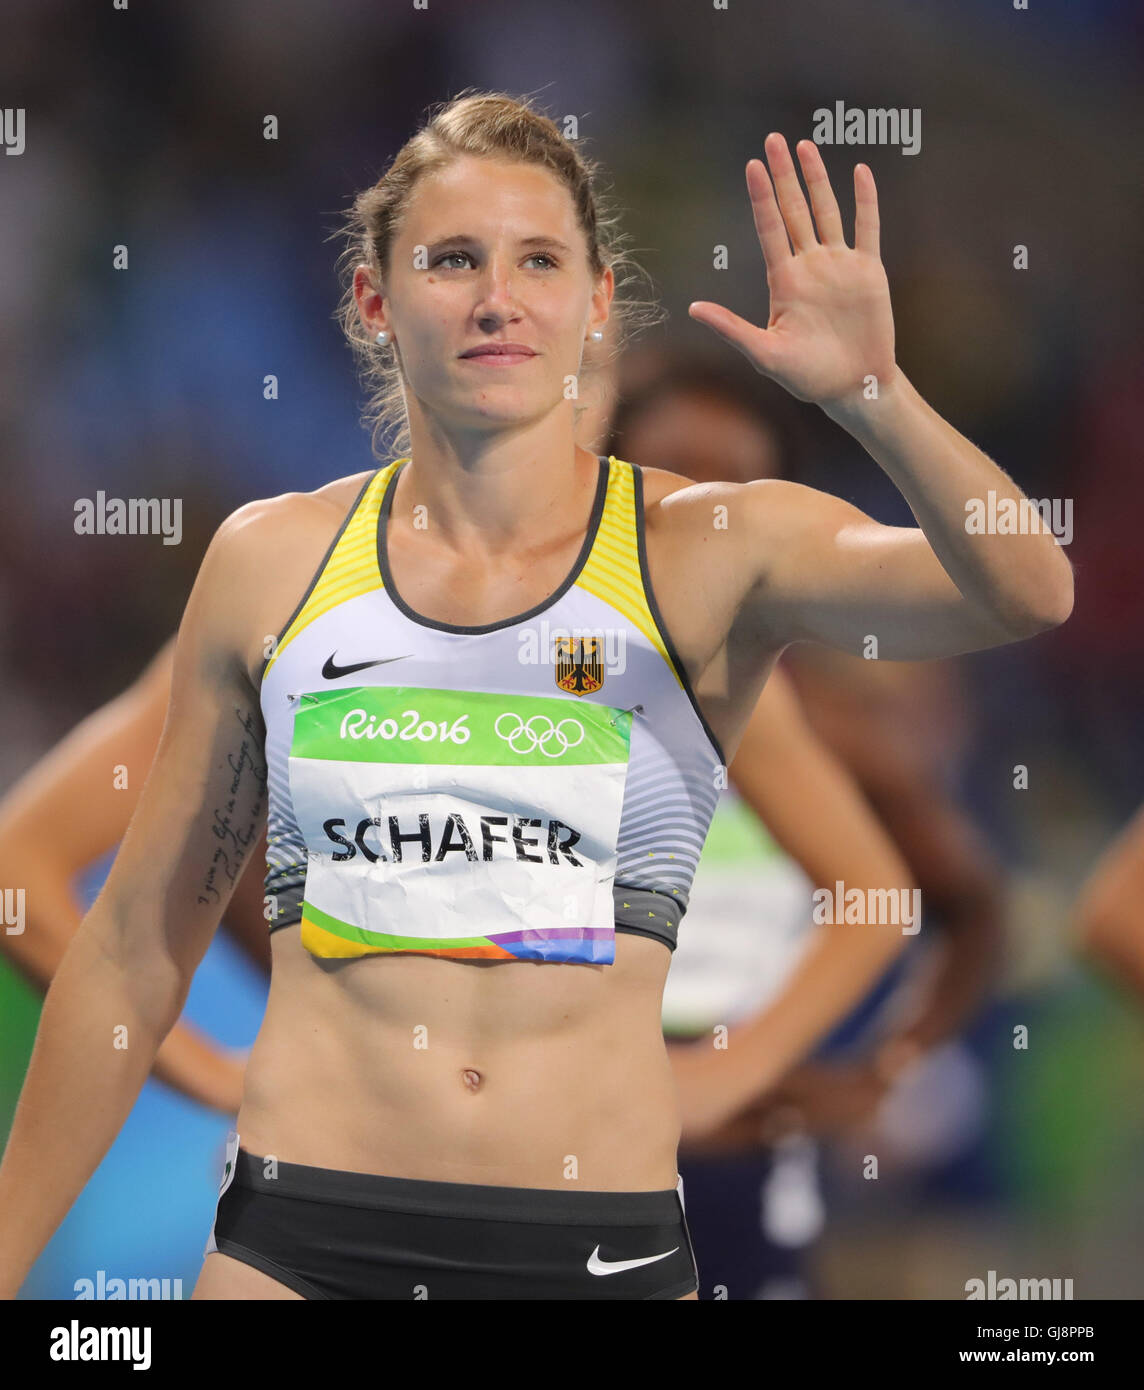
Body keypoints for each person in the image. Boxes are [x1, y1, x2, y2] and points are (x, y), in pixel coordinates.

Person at [0, 90, 1072, 1302]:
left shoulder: (703, 549)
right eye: (451, 259)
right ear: (373, 301)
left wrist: (874, 395)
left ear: (597, 303)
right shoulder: (268, 561)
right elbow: (136, 951)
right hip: (297, 1245)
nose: (496, 298)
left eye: (539, 260)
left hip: (595, 1251)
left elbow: (1024, 590)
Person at [600, 350, 1005, 1298]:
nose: (700, 518)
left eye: (732, 493)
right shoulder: (533, 693)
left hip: (737, 1155)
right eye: (667, 488)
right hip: (542, 1132)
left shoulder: (823, 725)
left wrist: (875, 1070)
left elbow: (964, 907)